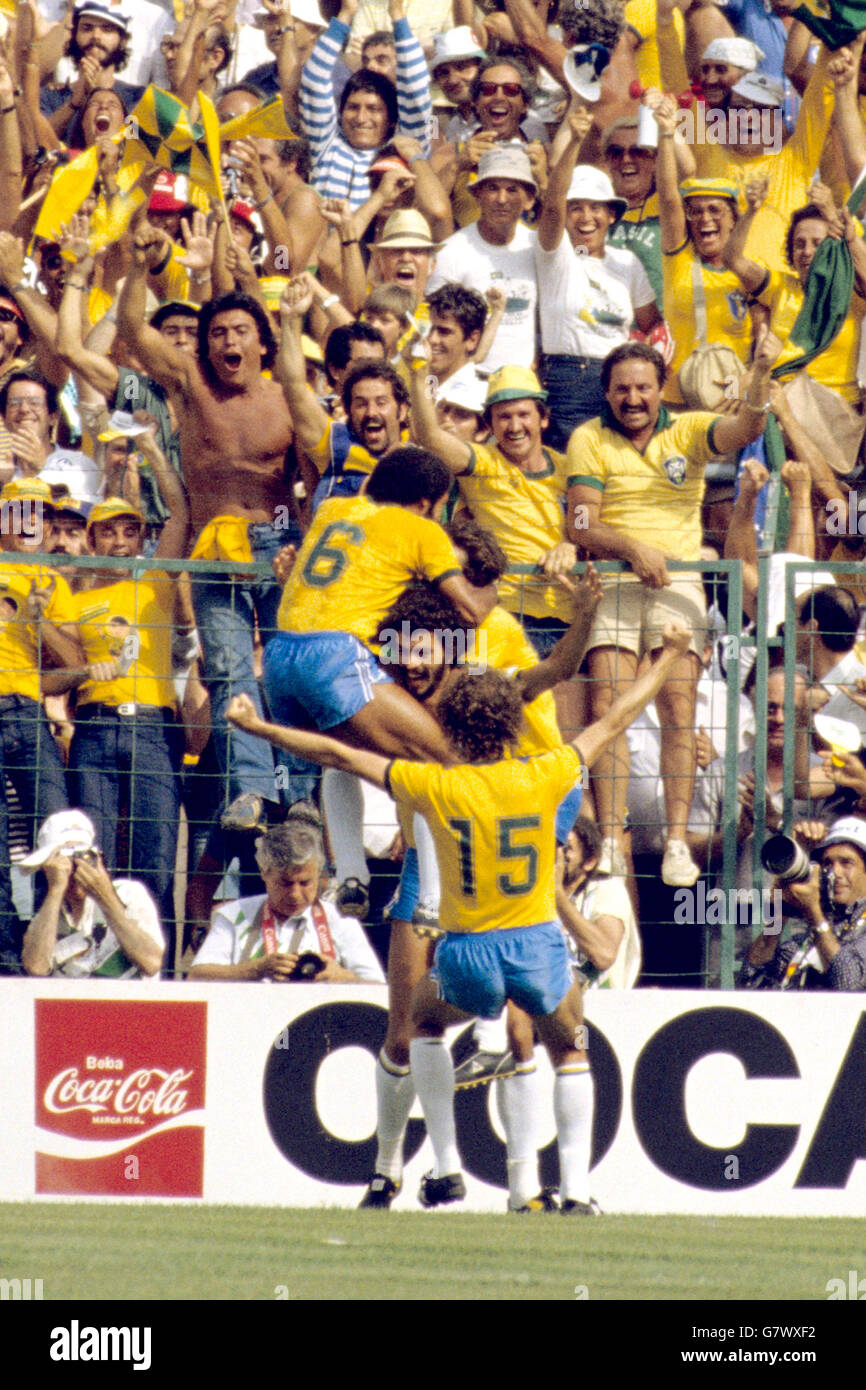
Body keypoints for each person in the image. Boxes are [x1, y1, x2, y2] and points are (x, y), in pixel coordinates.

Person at [224, 617, 693, 1211]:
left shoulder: (435, 783)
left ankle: (445, 1165)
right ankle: (576, 1192)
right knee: (570, 1049)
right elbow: (616, 717)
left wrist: (255, 724)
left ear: (454, 725)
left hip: (466, 951)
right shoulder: (547, 773)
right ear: (511, 724)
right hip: (536, 943)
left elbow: (335, 751)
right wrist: (669, 655)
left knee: (419, 1021)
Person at [566, 332, 781, 885]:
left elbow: (746, 429)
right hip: (615, 579)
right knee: (607, 706)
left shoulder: (687, 429)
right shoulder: (588, 437)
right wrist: (633, 550)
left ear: (662, 389)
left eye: (642, 388)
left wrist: (758, 371)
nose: (632, 399)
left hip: (678, 582)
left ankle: (678, 843)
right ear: (606, 393)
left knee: (679, 707)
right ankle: (612, 837)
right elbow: (580, 523)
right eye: (621, 390)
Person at [117, 247, 299, 829]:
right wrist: (130, 262)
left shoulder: (288, 397)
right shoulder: (190, 383)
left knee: (291, 668)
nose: (227, 342)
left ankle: (294, 791)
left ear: (262, 343)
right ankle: (250, 792)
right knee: (226, 669)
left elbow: (314, 479)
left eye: (240, 330)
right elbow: (129, 329)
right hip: (212, 548)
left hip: (278, 544)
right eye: (217, 332)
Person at [535, 108, 664, 449]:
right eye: (576, 207)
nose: (586, 217)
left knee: (618, 474)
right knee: (571, 474)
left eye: (596, 208)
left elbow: (654, 325)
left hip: (622, 382)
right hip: (567, 380)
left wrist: (649, 367)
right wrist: (575, 141)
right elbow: (550, 207)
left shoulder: (628, 262)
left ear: (611, 215)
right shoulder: (554, 254)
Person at [0, 477, 81, 972]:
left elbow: (73, 663)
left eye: (41, 515)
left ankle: (60, 946)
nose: (32, 523)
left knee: (56, 831)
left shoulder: (53, 583)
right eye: (20, 511)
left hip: (28, 712)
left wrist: (37, 620)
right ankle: (8, 956)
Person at [188, 818, 384, 983]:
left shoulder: (339, 918)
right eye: (285, 883)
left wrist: (341, 977)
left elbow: (377, 986)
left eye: (305, 883)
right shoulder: (235, 915)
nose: (295, 894)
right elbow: (197, 976)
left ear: (319, 874)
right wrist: (255, 969)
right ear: (264, 873)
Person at [278, 272, 407, 509]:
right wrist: (291, 319)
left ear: (402, 409)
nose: (372, 411)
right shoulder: (333, 440)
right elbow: (294, 386)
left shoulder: (413, 442)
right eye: (361, 403)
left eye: (381, 402)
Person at [300, 0, 432, 208]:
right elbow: (313, 79)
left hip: (381, 240)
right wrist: (346, 13)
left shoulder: (402, 146)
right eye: (353, 107)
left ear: (391, 120)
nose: (361, 118)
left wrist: (397, 14)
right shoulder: (325, 142)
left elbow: (416, 90)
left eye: (374, 109)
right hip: (324, 239)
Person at [427, 144, 539, 372]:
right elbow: (433, 327)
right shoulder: (452, 251)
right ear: (477, 195)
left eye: (512, 190)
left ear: (529, 199)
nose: (501, 199)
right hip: (468, 383)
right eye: (492, 188)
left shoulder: (536, 247)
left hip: (523, 387)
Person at [20, 810, 164, 978]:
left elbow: (151, 962)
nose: (75, 871)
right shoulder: (49, 913)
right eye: (65, 863)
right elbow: (36, 967)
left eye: (82, 859)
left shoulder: (129, 893)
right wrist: (56, 890)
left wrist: (104, 896)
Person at [740, 817, 866, 990]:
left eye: (846, 863)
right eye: (827, 863)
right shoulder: (811, 936)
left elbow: (849, 983)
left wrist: (814, 912)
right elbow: (752, 976)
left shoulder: (819, 923)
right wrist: (783, 910)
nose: (835, 872)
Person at [556, 816, 640, 988]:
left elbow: (604, 955)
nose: (556, 856)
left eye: (566, 849)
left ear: (590, 861)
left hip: (601, 1006)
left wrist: (558, 895)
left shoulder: (608, 890)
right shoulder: (535, 895)